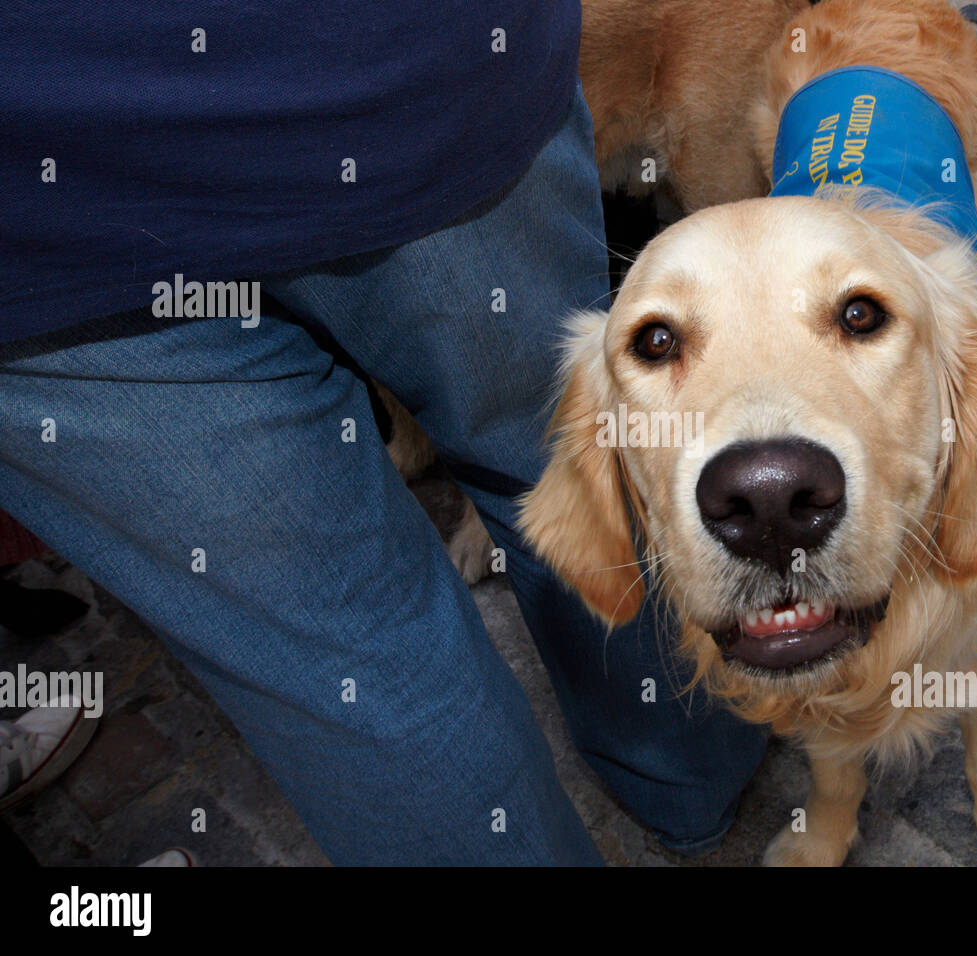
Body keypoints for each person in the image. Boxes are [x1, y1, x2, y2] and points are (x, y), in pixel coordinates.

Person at [0, 1, 767, 865]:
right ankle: (693, 789)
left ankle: (694, 786)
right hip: (398, 78)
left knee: (353, 670)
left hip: (48, 210)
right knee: (579, 472)